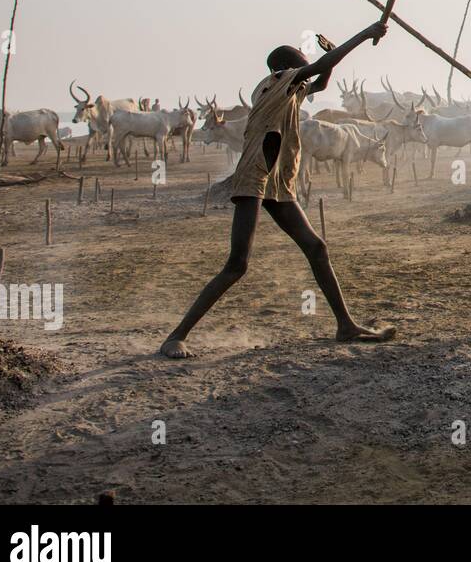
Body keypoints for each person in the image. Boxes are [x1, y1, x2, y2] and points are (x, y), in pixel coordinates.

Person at [160, 21, 395, 358]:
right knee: (237, 265)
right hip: (254, 179)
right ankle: (176, 336)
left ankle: (345, 325)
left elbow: (321, 78)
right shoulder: (273, 84)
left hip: (277, 183)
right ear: (284, 69)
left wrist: (332, 55)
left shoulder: (287, 89)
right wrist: (365, 33)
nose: (305, 71)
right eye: (301, 65)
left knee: (316, 248)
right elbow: (318, 71)